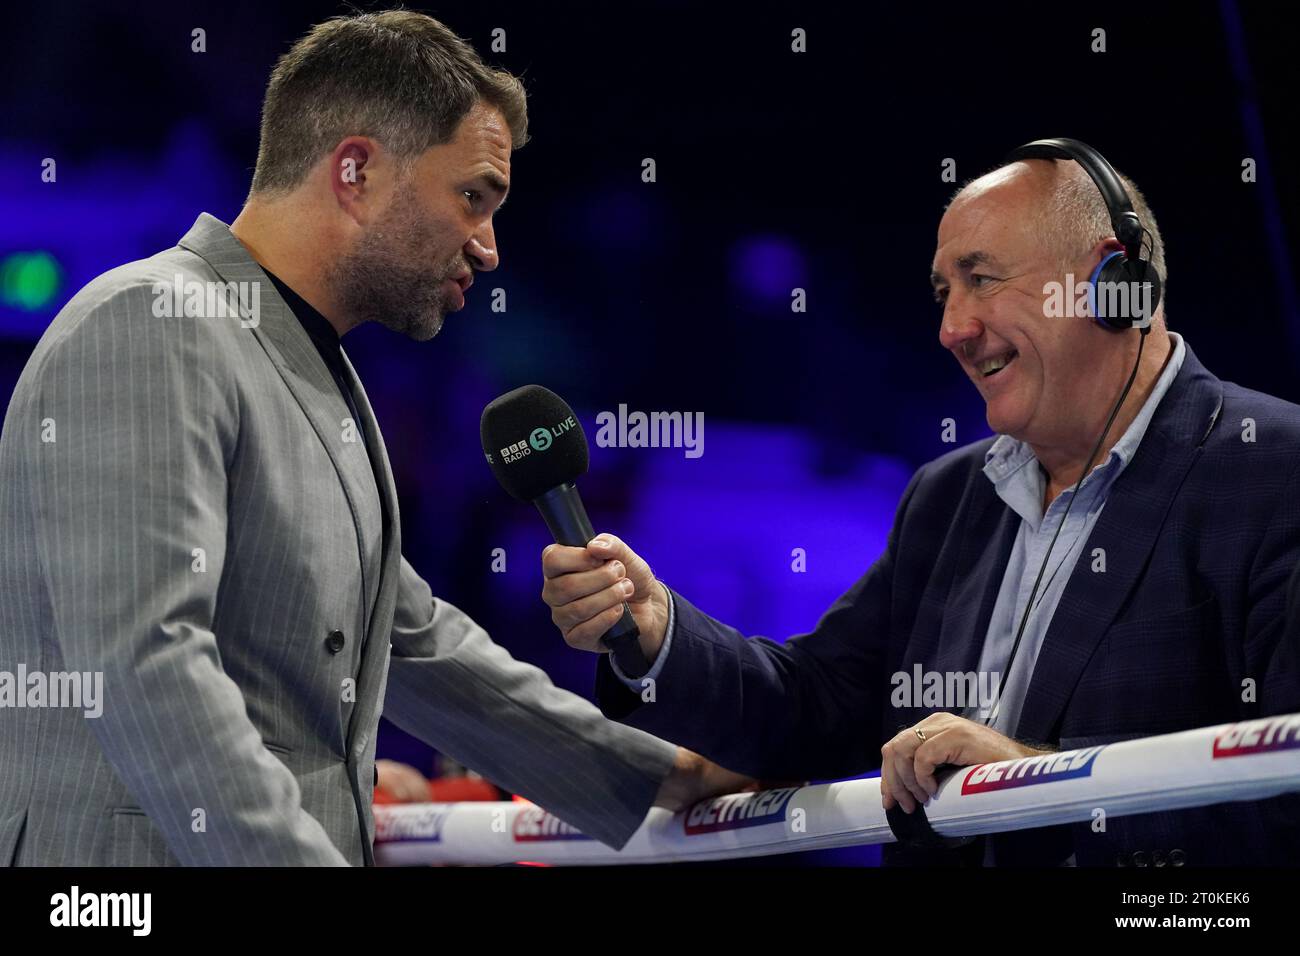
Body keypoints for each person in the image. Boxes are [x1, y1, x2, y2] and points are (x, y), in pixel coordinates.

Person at [0, 10, 745, 867]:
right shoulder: (153, 322)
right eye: (474, 195)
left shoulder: (318, 370)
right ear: (354, 170)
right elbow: (149, 665)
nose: (490, 246)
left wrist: (653, 776)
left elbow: (412, 642)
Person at [541, 143, 1300, 865]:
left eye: (983, 279)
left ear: (1114, 283)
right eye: (944, 292)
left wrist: (1037, 782)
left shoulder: (1273, 467)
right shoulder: (948, 497)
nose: (952, 329)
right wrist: (656, 628)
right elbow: (812, 708)